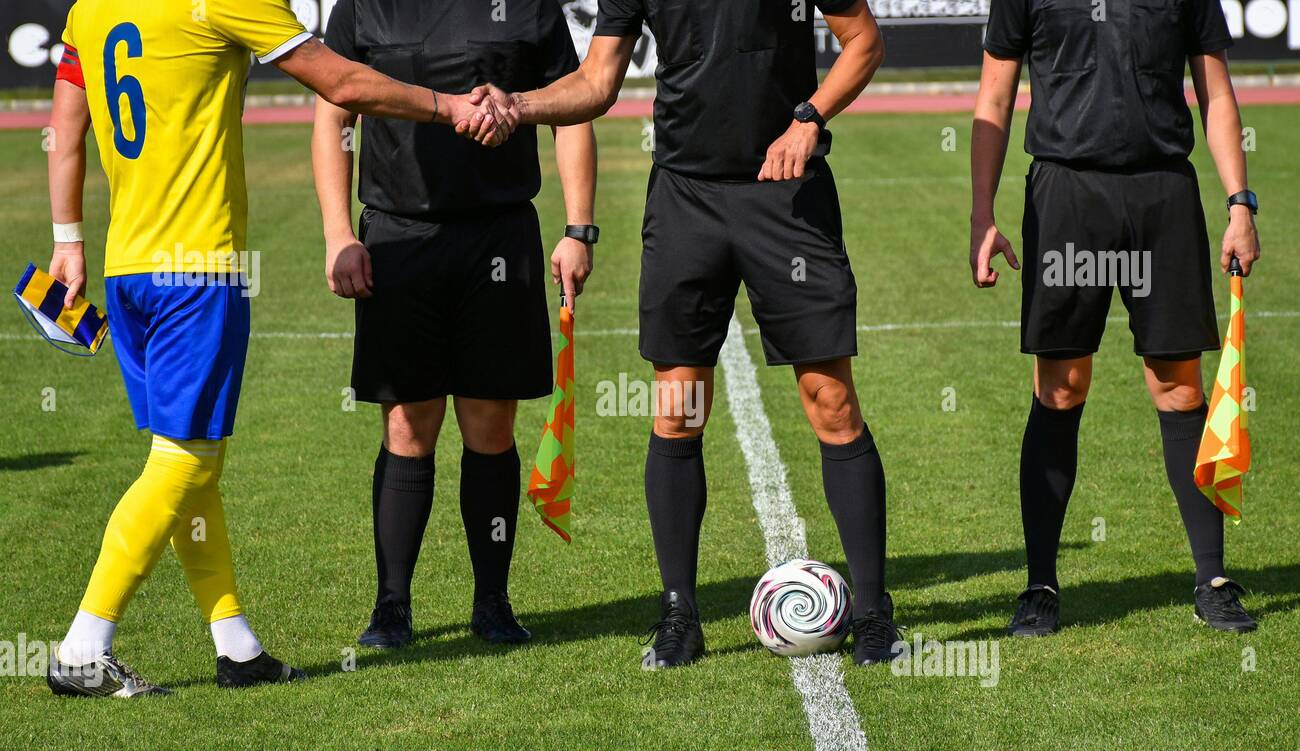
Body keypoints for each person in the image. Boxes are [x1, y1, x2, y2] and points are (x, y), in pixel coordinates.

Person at [46, 0, 508, 697]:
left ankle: (236, 647)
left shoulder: (90, 7)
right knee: (181, 463)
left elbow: (64, 124)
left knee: (195, 463)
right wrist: (449, 107)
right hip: (196, 271)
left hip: (127, 268)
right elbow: (343, 84)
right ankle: (85, 644)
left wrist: (66, 240)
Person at [467, 1, 894, 668]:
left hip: (785, 196)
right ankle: (678, 615)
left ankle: (872, 616)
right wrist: (518, 105)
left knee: (831, 403)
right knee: (678, 410)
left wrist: (809, 119)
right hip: (685, 201)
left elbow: (863, 40)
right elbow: (598, 80)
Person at [969, 0, 1262, 636]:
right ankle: (1041, 583)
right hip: (1067, 196)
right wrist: (981, 214)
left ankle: (1211, 579)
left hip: (1163, 195)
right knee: (1061, 387)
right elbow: (993, 102)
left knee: (1179, 385)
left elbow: (1216, 93)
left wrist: (1240, 204)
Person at [312, 0, 597, 649]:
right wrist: (335, 233)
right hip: (398, 236)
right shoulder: (365, 5)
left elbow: (570, 107)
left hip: (499, 234)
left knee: (490, 423)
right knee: (408, 423)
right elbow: (334, 115)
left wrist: (578, 227)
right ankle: (392, 606)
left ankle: (492, 602)